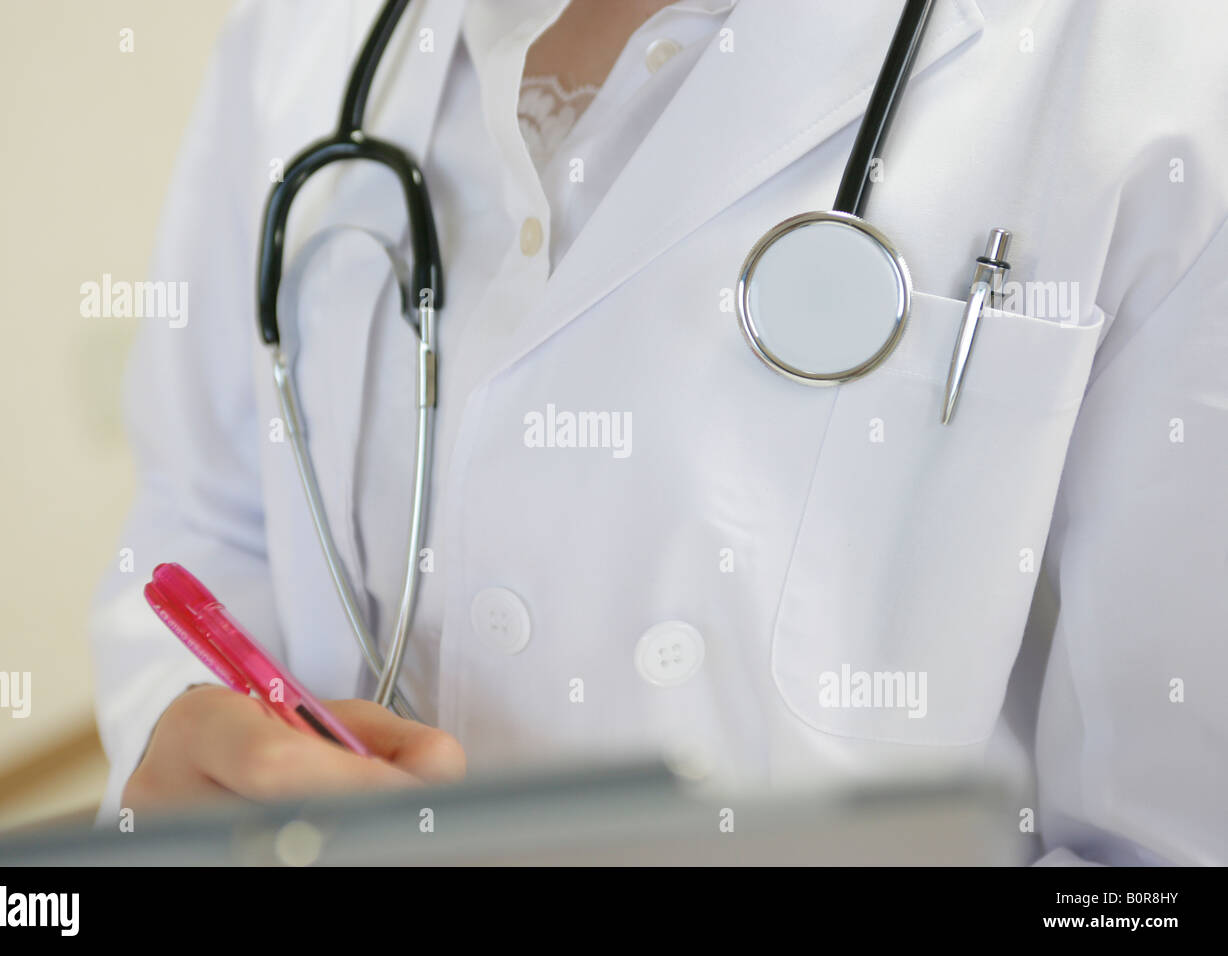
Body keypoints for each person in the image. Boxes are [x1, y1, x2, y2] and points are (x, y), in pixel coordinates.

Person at [92, 0, 1228, 865]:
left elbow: (1161, 856)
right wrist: (195, 787)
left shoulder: (1149, 59)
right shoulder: (308, 32)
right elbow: (208, 520)